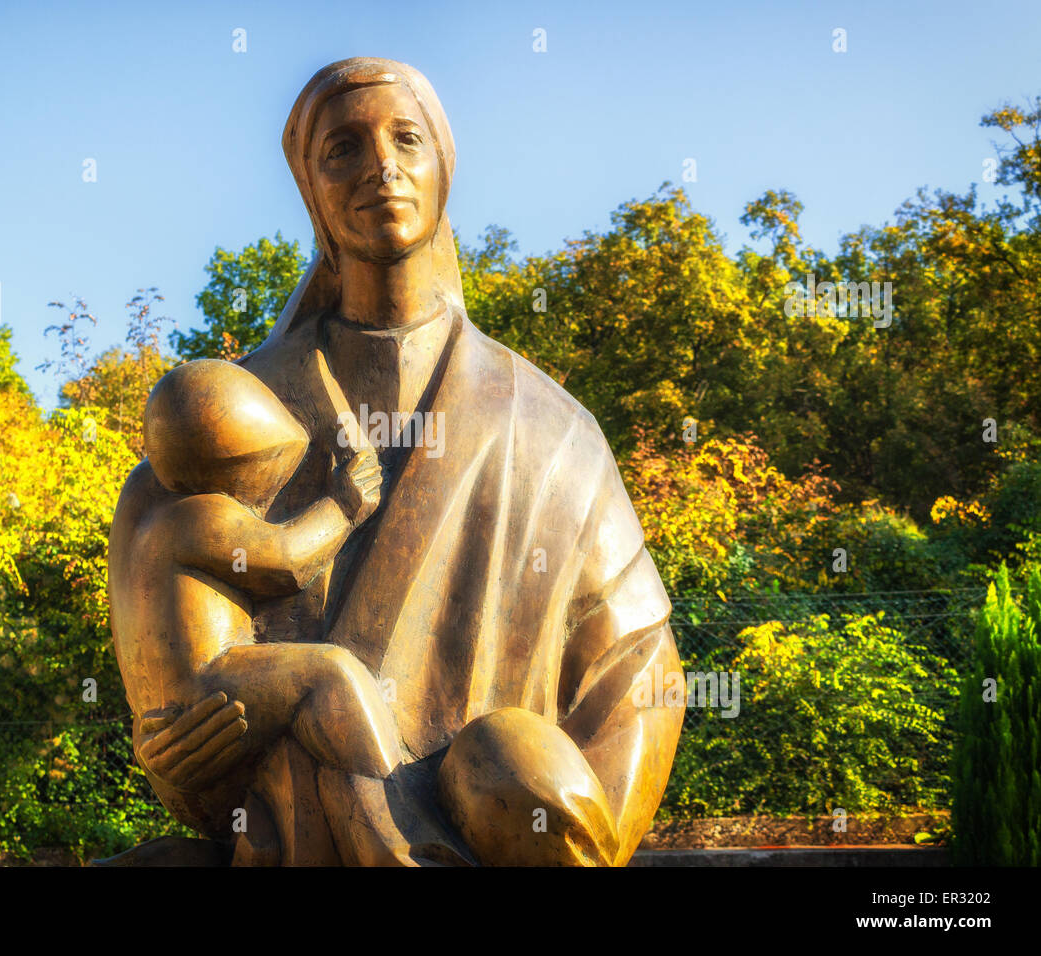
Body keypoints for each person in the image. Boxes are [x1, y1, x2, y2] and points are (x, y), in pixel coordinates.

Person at [109, 58, 685, 866]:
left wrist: (583, 831)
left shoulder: (553, 428)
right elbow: (165, 604)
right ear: (310, 188)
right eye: (342, 148)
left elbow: (636, 665)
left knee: (510, 766)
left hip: (493, 825)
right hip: (284, 839)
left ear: (443, 164)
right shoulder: (230, 417)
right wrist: (168, 730)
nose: (381, 165)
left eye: (406, 138)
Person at [111, 358, 400, 802]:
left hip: (183, 703)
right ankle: (393, 805)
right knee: (332, 676)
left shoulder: (159, 507)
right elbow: (287, 562)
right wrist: (344, 506)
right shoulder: (201, 512)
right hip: (210, 695)